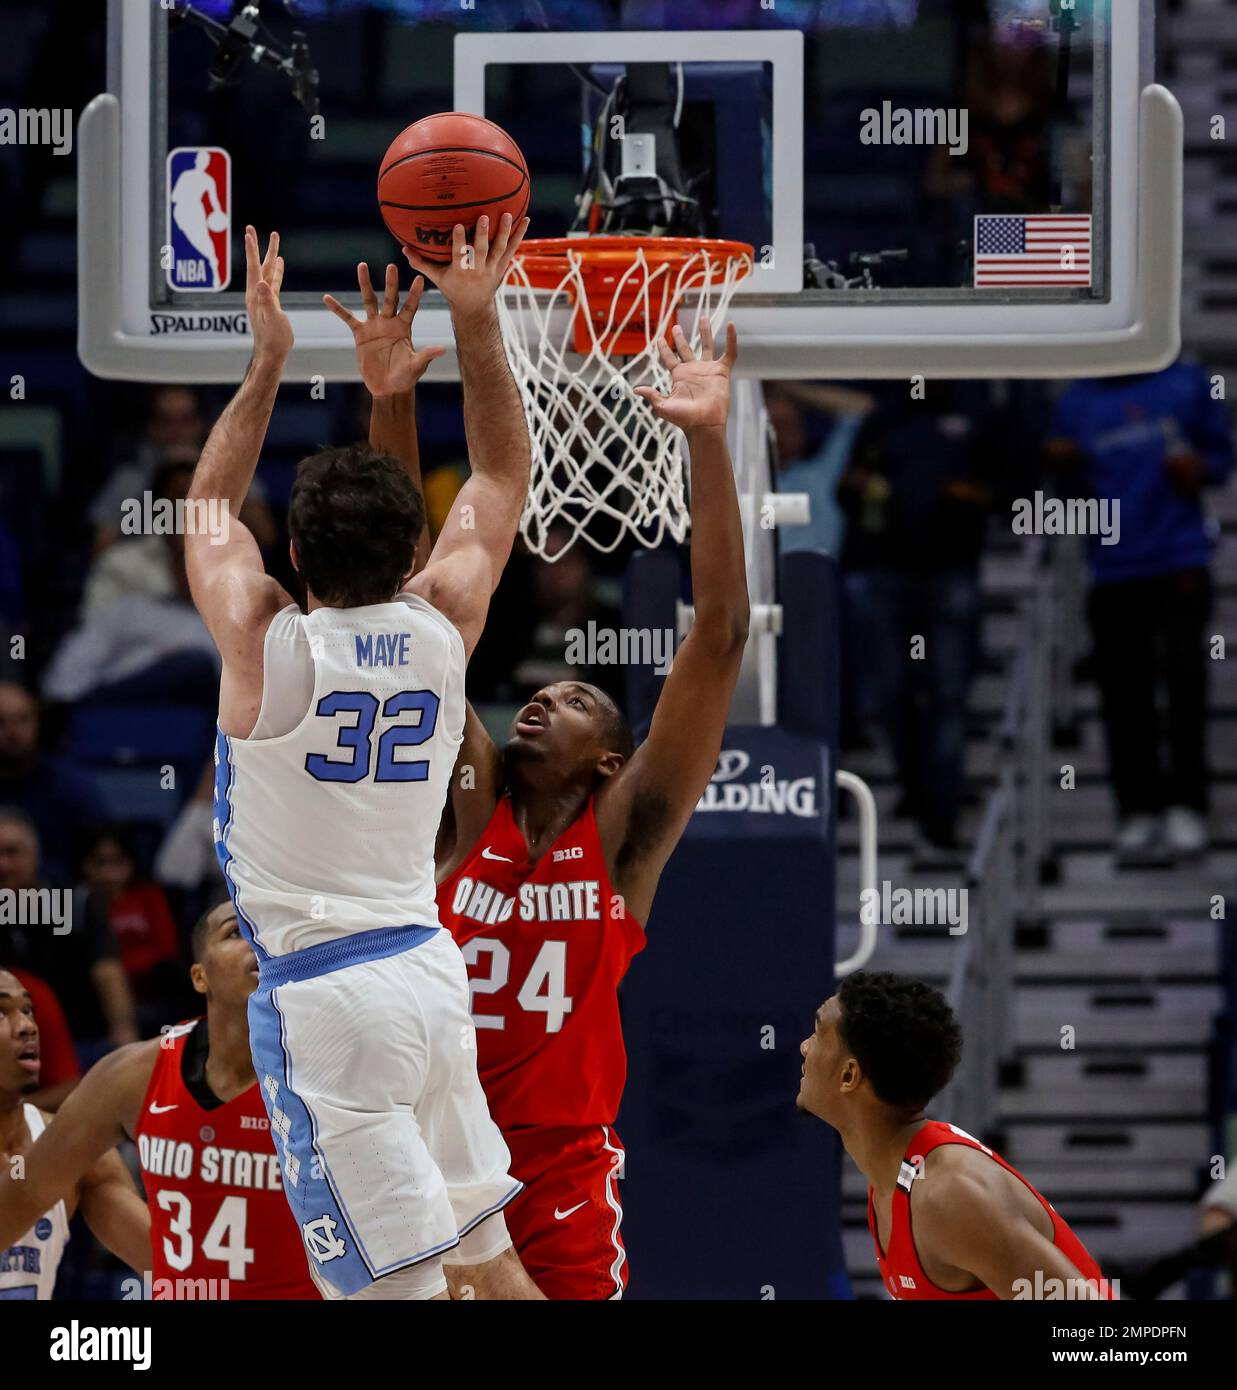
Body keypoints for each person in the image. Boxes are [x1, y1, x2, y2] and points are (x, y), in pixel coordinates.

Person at [187, 221, 540, 1301]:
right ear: (413, 551)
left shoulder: (263, 640)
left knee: (396, 1296)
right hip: (433, 981)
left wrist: (268, 362)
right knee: (495, 1271)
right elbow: (499, 468)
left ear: (292, 555)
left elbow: (205, 507)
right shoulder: (445, 621)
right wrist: (476, 320)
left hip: (327, 1001)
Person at [435, 321, 750, 1298]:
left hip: (557, 1165)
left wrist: (704, 437)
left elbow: (722, 635)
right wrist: (396, 398)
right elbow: (415, 621)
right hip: (431, 1148)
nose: (541, 698)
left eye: (573, 700)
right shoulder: (466, 812)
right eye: (541, 691)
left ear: (608, 760)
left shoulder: (619, 843)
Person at [0, 904, 319, 1299]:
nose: (260, 941)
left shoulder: (333, 1081)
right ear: (200, 977)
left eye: (272, 931)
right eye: (236, 932)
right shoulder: (130, 1076)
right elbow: (29, 1188)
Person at [798, 970, 1114, 1300]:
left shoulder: (949, 1193)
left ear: (849, 1075)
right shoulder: (894, 1175)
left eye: (819, 1034)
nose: (805, 1047)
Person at [1047, 361, 1235, 864]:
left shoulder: (1185, 381)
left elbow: (1220, 458)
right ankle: (1137, 811)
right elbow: (1063, 493)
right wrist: (1062, 470)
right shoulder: (1076, 400)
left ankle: (1188, 807)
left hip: (1180, 558)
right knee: (1122, 694)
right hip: (1111, 567)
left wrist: (1201, 467)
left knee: (1184, 684)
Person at [0, 968, 150, 1298]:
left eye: (27, 1011)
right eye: (1, 1012)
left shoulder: (72, 1149)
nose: (27, 1027)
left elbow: (168, 1267)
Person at [0, 808, 138, 1062]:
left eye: (13, 852)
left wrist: (124, 1038)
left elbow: (108, 974)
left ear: (35, 856)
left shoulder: (75, 906)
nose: (3, 865)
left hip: (80, 1043)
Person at [0, 682, 109, 886]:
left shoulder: (73, 788)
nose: (12, 732)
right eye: (1, 722)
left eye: (22, 719)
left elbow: (102, 859)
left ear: (37, 723)